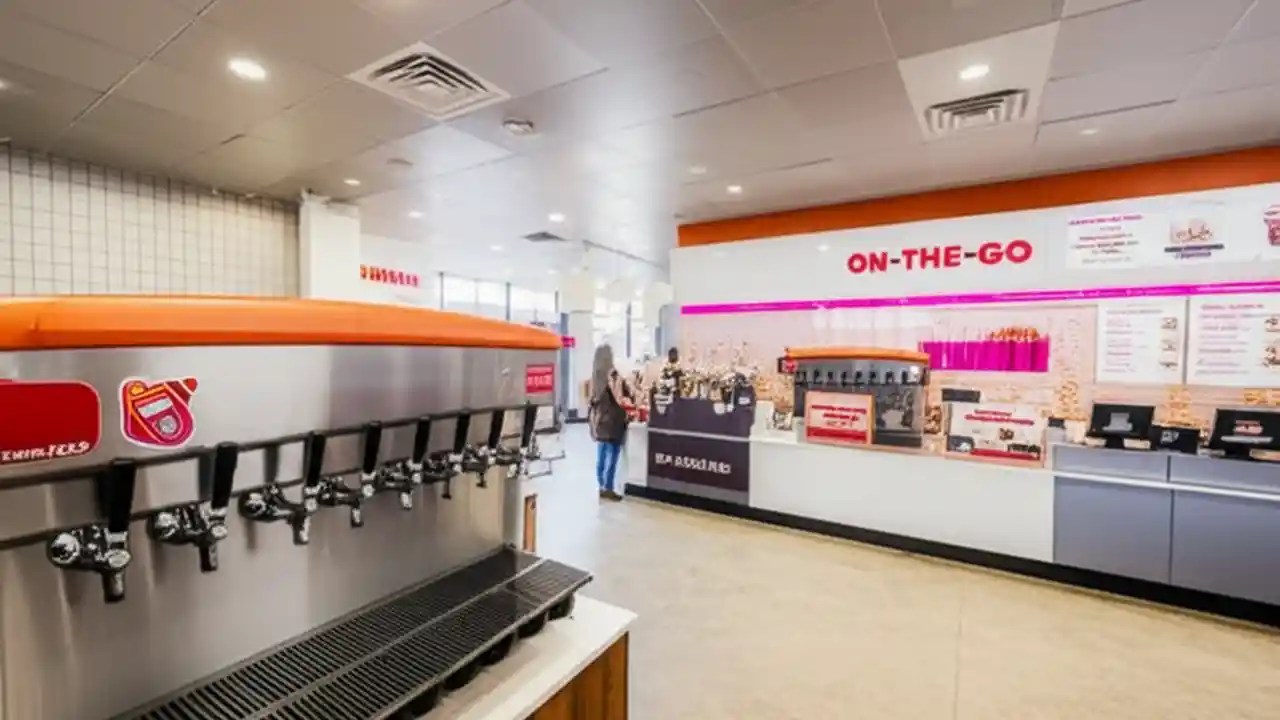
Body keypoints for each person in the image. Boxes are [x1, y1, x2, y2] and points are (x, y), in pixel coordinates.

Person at [588, 343, 628, 500]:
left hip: (599, 420)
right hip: (613, 420)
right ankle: (608, 487)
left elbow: (591, 400)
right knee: (612, 454)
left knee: (602, 454)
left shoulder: (594, 377)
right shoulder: (612, 375)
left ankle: (601, 485)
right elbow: (619, 399)